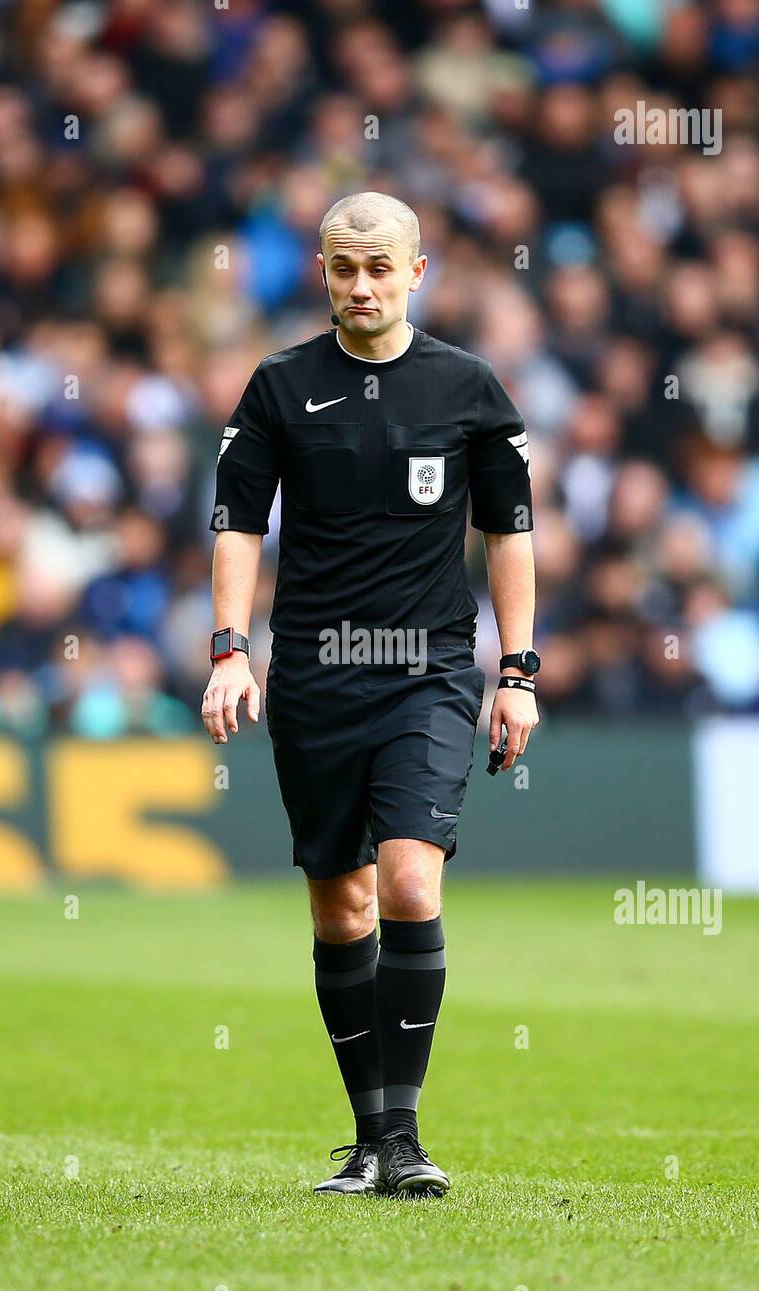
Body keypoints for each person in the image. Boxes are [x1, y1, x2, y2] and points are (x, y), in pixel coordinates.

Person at [201, 192, 539, 1197]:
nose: (361, 285)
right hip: (312, 673)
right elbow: (235, 524)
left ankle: (402, 1140)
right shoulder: (276, 386)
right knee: (339, 905)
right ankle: (369, 1136)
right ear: (321, 273)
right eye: (343, 268)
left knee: (406, 883)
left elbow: (508, 534)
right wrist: (229, 647)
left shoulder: (468, 389)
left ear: (416, 272)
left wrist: (514, 671)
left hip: (426, 673)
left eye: (379, 267)